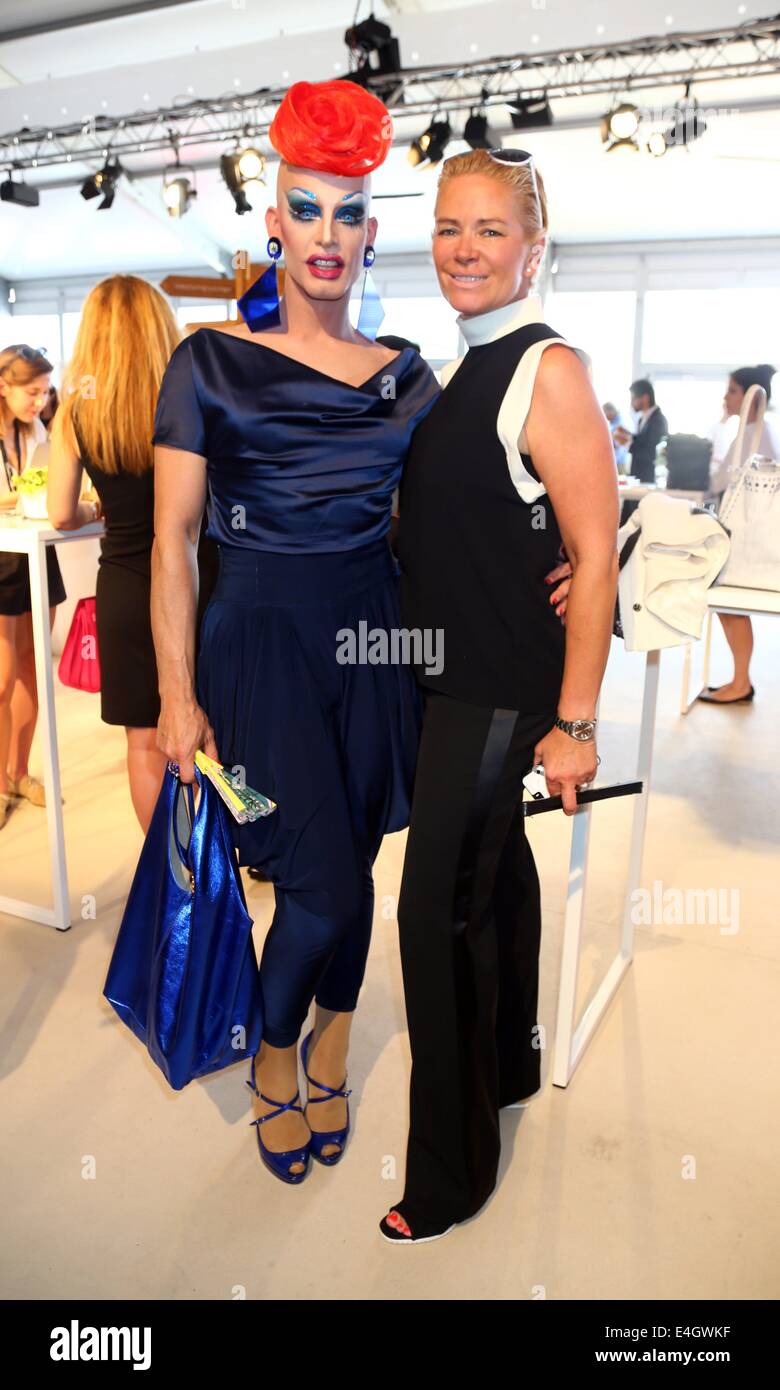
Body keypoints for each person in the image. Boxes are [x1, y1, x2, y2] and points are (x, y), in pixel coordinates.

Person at [150, 80, 441, 1183]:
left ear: (373, 229)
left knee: (358, 860)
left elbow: (454, 514)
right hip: (257, 650)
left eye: (349, 210)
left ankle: (331, 1042)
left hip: (376, 645)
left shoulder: (406, 379)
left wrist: (554, 556)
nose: (327, 234)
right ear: (273, 219)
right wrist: (178, 697)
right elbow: (175, 541)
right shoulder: (209, 364)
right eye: (305, 208)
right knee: (319, 882)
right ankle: (280, 1056)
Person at [380, 146, 619, 1243]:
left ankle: (451, 1171)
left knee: (432, 915)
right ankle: (511, 1069)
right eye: (447, 226)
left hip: (495, 695)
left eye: (488, 230)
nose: (463, 249)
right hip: (454, 677)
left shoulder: (546, 366)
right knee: (495, 889)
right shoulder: (461, 365)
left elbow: (596, 549)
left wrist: (574, 724)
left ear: (532, 248)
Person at [47, 275, 219, 831]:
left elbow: (59, 513)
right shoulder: (191, 391)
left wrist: (99, 509)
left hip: (125, 587)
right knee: (217, 725)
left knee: (147, 744)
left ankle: (171, 883)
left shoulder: (76, 410)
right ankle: (225, 864)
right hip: (199, 578)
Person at [0, 344, 67, 829]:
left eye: (44, 391)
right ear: (4, 384)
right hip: (3, 554)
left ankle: (19, 773)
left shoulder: (41, 428)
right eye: (31, 391)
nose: (40, 400)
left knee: (32, 666)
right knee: (2, 676)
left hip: (37, 551)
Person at [700, 363, 778, 705]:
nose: (725, 397)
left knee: (731, 603)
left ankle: (741, 681)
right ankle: (739, 679)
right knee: (730, 606)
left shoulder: (754, 433)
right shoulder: (755, 431)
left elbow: (724, 482)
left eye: (732, 390)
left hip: (747, 540)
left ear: (748, 396)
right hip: (748, 537)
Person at [614, 378, 668, 484]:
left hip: (649, 481)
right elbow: (643, 441)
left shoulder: (659, 421)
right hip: (639, 479)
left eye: (633, 398)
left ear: (645, 398)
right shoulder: (642, 419)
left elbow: (651, 453)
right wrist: (629, 436)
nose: (631, 403)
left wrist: (627, 444)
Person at [603, 400, 630, 474]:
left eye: (604, 413)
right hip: (615, 462)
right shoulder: (612, 423)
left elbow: (618, 442)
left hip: (619, 462)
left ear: (610, 411)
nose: (604, 416)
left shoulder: (620, 423)